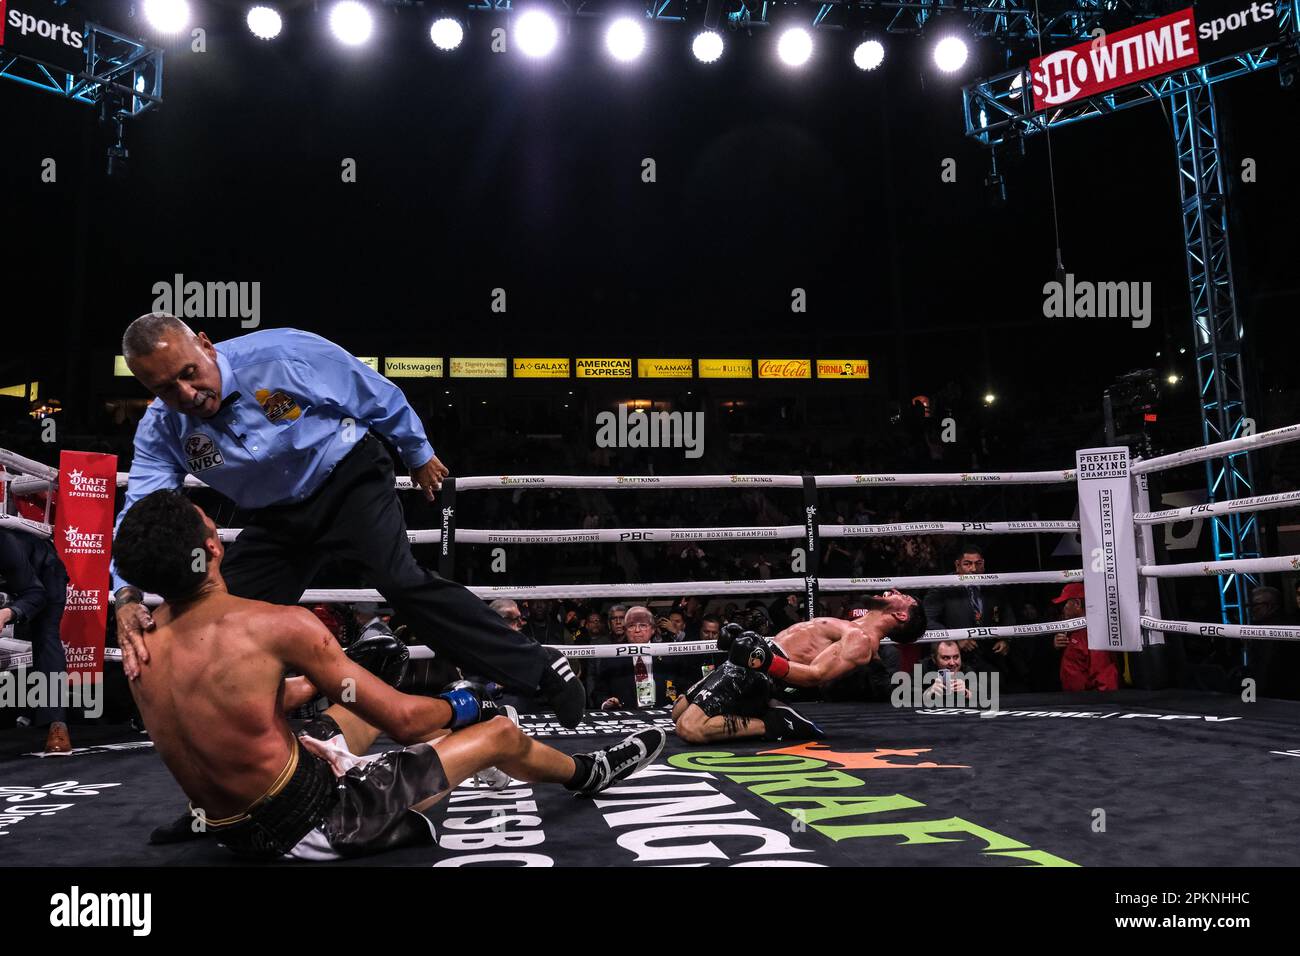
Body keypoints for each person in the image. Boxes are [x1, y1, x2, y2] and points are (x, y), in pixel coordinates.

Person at [112, 489, 664, 861]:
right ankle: (587, 772)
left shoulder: (139, 643)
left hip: (231, 824)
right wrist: (470, 703)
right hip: (316, 825)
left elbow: (231, 705)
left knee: (351, 705)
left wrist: (316, 689)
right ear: (212, 549)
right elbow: (402, 721)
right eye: (215, 530)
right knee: (494, 733)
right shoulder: (275, 625)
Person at [110, 315, 583, 728]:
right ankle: (229, 783)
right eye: (165, 389)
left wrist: (417, 453)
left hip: (348, 478)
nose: (187, 394)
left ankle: (542, 670)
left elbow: (372, 391)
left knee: (399, 581)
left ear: (207, 345)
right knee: (219, 617)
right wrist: (125, 595)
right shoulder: (161, 428)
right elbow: (142, 513)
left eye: (189, 374)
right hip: (277, 516)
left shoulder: (281, 354)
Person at [673, 591, 927, 743]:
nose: (894, 590)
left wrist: (765, 660)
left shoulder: (860, 642)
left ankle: (774, 723)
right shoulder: (856, 626)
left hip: (763, 673)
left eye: (903, 596)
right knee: (677, 713)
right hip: (756, 661)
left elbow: (815, 675)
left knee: (689, 728)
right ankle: (766, 713)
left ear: (901, 615)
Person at [0, 529, 71, 753]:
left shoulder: (5, 544)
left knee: (46, 636)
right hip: (11, 578)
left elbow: (35, 593)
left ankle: (57, 725)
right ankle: (30, 712)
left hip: (44, 573)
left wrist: (7, 613)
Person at [588, 606, 682, 710]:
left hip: (663, 715)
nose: (637, 630)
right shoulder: (612, 658)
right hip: (624, 717)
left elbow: (681, 687)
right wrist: (607, 703)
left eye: (643, 625)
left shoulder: (668, 655)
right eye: (631, 626)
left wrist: (679, 701)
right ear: (625, 630)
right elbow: (598, 693)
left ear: (653, 629)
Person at [1050, 583, 1120, 692]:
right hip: (1072, 700)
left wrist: (1103, 705)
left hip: (1087, 702)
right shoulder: (1071, 630)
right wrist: (1057, 647)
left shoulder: (1094, 633)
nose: (1062, 609)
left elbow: (1105, 676)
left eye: (1064, 604)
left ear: (1077, 604)